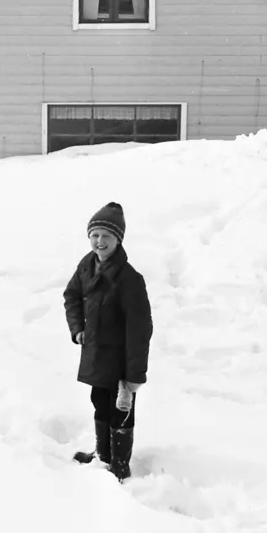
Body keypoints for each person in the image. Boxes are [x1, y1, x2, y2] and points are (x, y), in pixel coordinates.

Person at [62, 202, 153, 481]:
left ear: (118, 240)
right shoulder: (86, 266)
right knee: (99, 401)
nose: (99, 242)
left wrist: (135, 373)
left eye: (106, 236)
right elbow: (72, 296)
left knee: (121, 409)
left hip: (121, 358)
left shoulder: (129, 280)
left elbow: (140, 330)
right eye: (95, 235)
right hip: (95, 353)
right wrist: (78, 328)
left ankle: (120, 465)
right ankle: (103, 455)